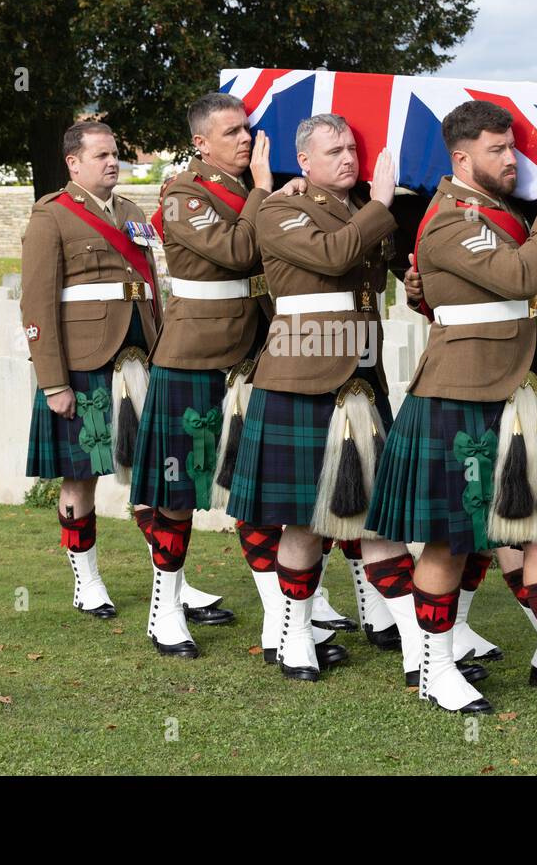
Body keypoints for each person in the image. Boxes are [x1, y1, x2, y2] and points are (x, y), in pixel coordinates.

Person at [368, 100, 537, 725]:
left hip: (516, 396)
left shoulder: (498, 214)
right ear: (461, 157)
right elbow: (520, 276)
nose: (512, 159)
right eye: (498, 150)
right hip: (459, 399)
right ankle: (436, 671)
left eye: (511, 146)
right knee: (449, 544)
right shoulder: (450, 221)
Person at [129, 91, 345, 664]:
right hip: (195, 357)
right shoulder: (183, 192)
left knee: (257, 494)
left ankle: (281, 620)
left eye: (247, 129)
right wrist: (265, 192)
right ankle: (166, 609)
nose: (246, 139)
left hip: (254, 353)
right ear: (201, 143)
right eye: (232, 133)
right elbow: (238, 248)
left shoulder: (256, 190)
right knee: (177, 494)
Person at [226, 113, 430, 684]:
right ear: (306, 162)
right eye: (334, 150)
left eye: (352, 148)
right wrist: (382, 204)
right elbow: (337, 255)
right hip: (300, 377)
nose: (348, 157)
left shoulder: (367, 209)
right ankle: (293, 640)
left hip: (362, 377)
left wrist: (413, 263)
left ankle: (420, 648)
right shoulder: (278, 209)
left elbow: (397, 263)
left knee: (380, 521)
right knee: (302, 524)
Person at [22, 121, 164, 643]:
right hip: (83, 363)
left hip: (138, 358)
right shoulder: (51, 214)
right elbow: (36, 304)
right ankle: (87, 580)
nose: (112, 163)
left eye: (116, 155)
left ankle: (170, 579)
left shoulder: (131, 212)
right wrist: (53, 382)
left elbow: (150, 287)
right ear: (73, 163)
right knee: (82, 474)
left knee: (151, 471)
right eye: (101, 155)